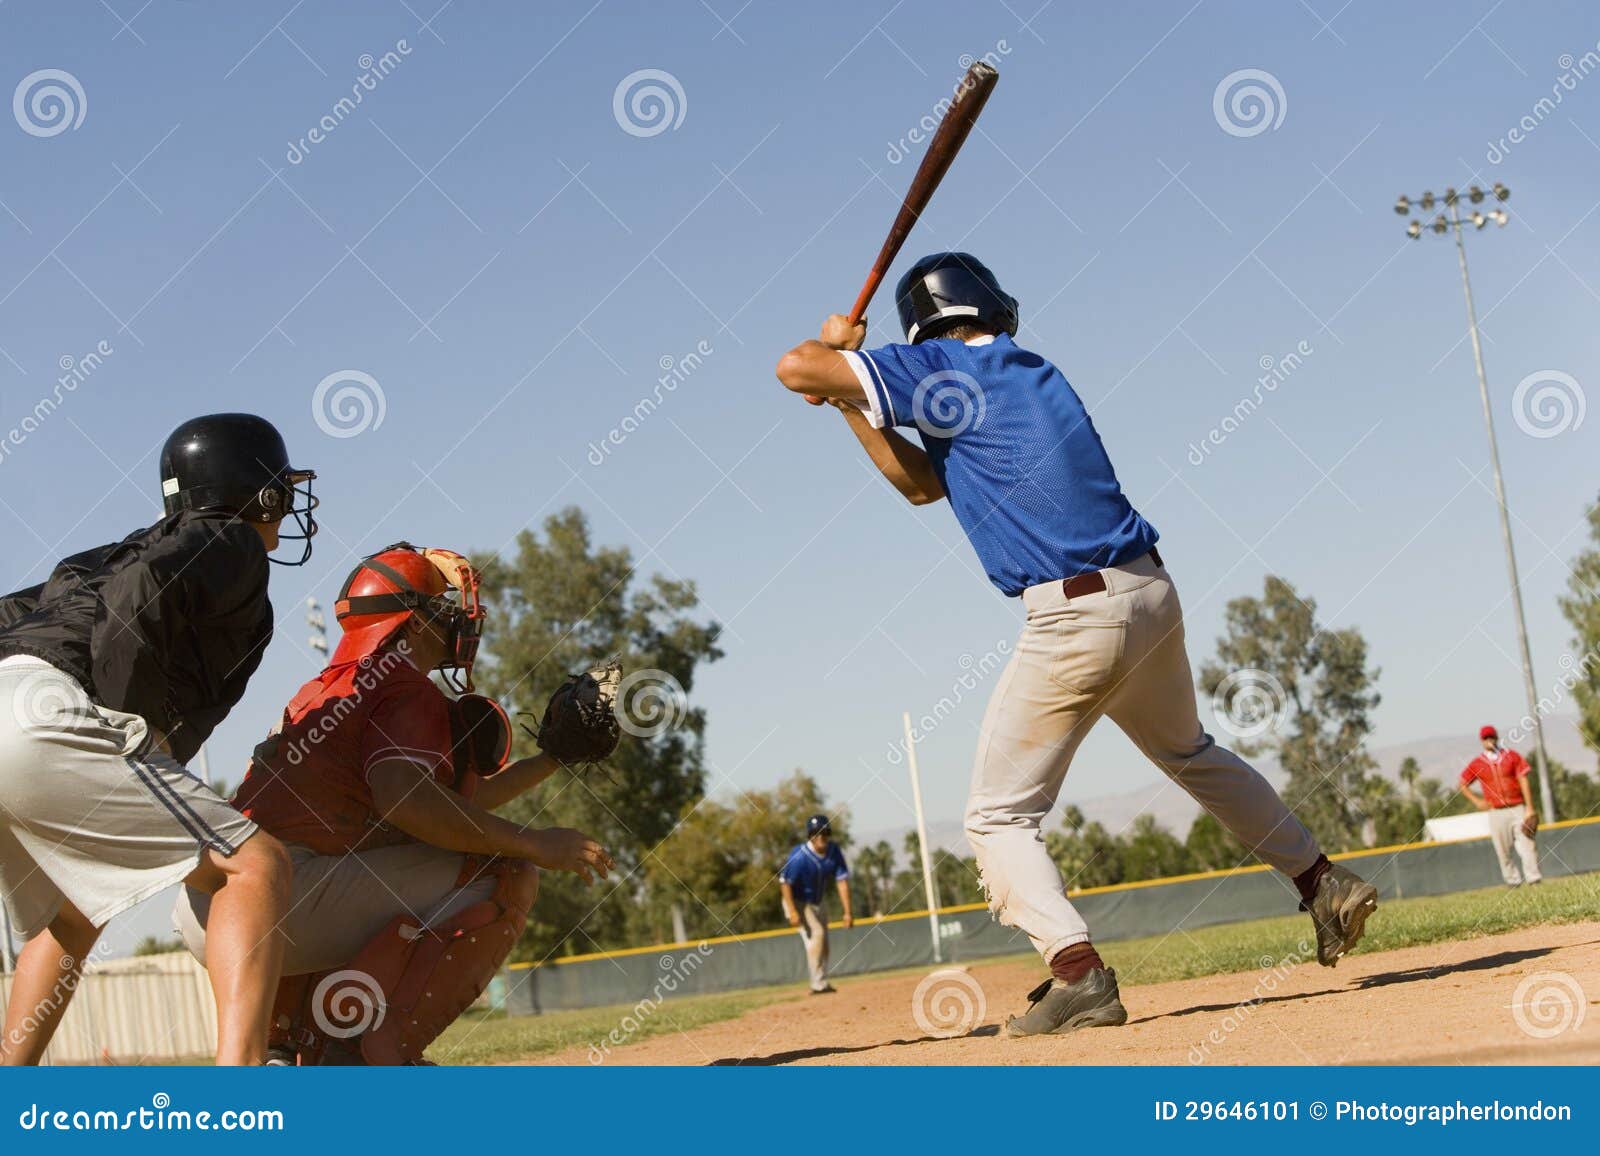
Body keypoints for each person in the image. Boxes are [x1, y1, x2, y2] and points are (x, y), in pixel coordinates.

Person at [774, 253, 1379, 1037]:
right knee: (1189, 752)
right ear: (988, 304)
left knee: (996, 816)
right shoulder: (1023, 372)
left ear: (923, 326)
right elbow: (923, 484)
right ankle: (1320, 880)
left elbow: (794, 366)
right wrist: (849, 397)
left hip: (1074, 616)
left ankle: (1078, 974)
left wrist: (836, 356)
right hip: (1148, 592)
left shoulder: (940, 365)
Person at [174, 542, 615, 1064]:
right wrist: (535, 842)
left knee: (364, 870)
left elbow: (444, 806)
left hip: (215, 904)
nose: (455, 620)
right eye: (440, 608)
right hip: (277, 897)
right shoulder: (404, 686)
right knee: (507, 872)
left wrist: (548, 762)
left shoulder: (325, 687)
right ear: (413, 623)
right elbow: (411, 802)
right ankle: (372, 1055)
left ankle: (289, 1046)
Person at [0, 413, 317, 1065]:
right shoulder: (233, 542)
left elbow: (13, 612)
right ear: (262, 491)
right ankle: (242, 1094)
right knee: (254, 867)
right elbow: (138, 591)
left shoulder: (104, 552)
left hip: (15, 700)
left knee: (75, 913)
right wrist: (133, 727)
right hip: (44, 717)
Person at [1459, 725, 1541, 887]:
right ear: (1481, 741)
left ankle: (1534, 879)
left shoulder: (1511, 756)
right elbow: (1462, 784)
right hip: (1496, 811)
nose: (1489, 740)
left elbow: (1523, 779)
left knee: (1527, 845)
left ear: (1497, 738)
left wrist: (1529, 808)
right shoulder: (1477, 763)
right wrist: (1477, 802)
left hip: (1517, 807)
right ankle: (1513, 881)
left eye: (1491, 737)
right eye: (1486, 738)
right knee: (1502, 850)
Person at [779, 814, 853, 994]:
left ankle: (822, 982)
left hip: (817, 902)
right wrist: (792, 911)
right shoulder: (799, 856)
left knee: (825, 944)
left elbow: (842, 882)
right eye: (815, 833)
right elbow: (785, 883)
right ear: (810, 836)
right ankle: (817, 984)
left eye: (824, 832)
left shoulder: (834, 852)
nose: (820, 837)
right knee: (817, 934)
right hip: (797, 902)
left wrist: (847, 912)